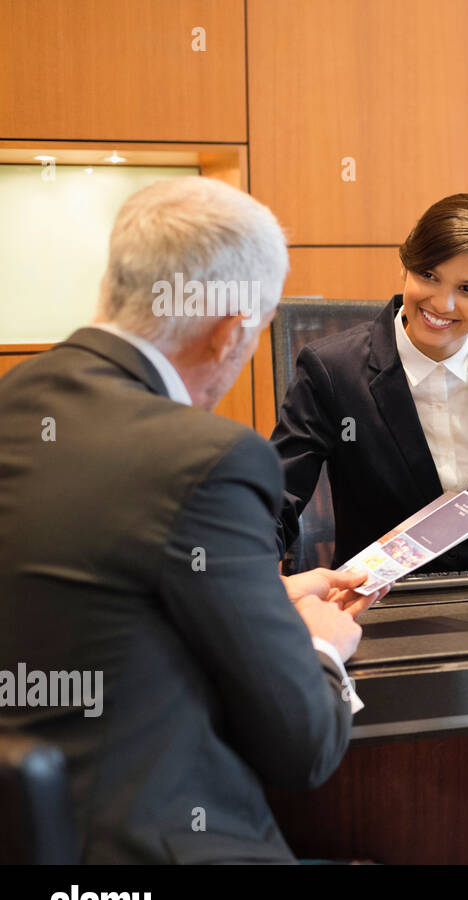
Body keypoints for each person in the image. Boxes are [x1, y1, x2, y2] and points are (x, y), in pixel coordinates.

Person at [0, 177, 380, 864]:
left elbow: (87, 597)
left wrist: (259, 598)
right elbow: (304, 747)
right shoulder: (207, 458)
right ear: (231, 332)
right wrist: (320, 645)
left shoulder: (18, 402)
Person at [272, 194, 468, 589]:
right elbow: (277, 498)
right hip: (378, 601)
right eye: (429, 276)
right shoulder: (332, 369)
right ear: (405, 266)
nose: (442, 302)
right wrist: (251, 584)